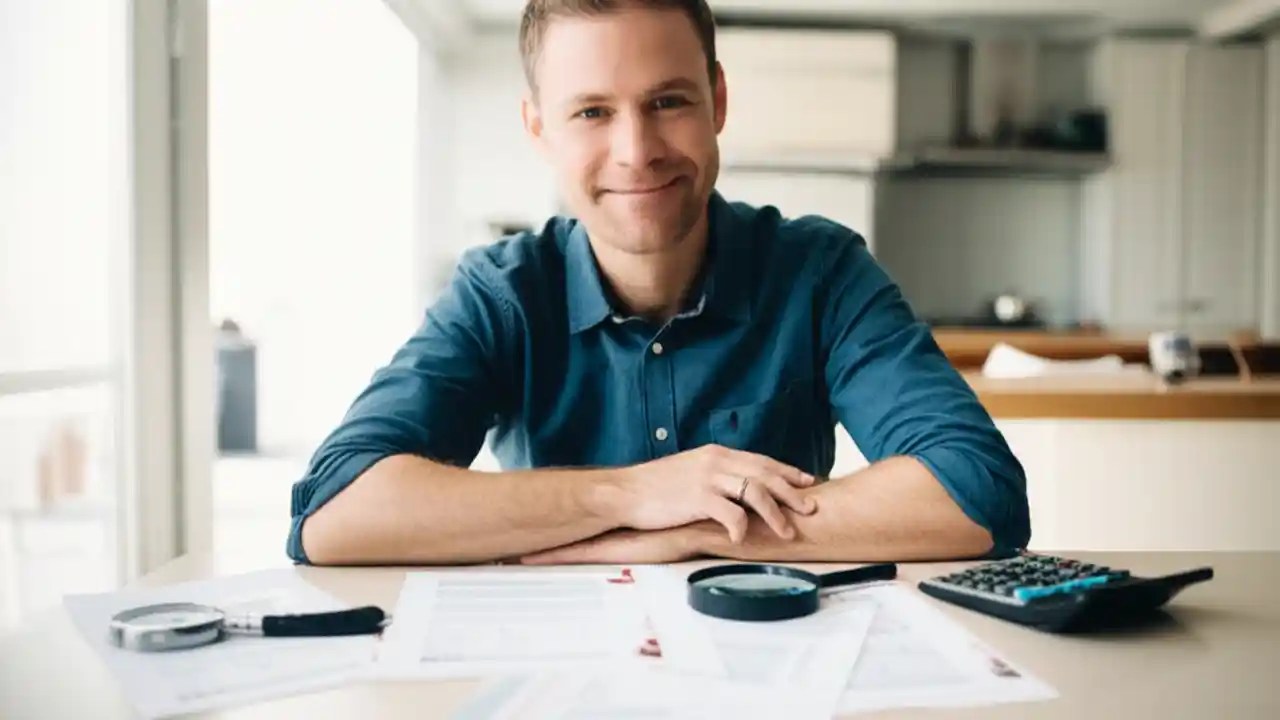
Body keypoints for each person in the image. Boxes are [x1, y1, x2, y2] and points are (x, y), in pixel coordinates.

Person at [287, 0, 1030, 566]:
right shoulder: (500, 292)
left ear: (718, 103)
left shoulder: (820, 272)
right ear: (539, 128)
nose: (636, 151)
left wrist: (690, 533)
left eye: (668, 101)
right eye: (592, 112)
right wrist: (633, 495)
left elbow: (977, 491)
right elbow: (335, 512)